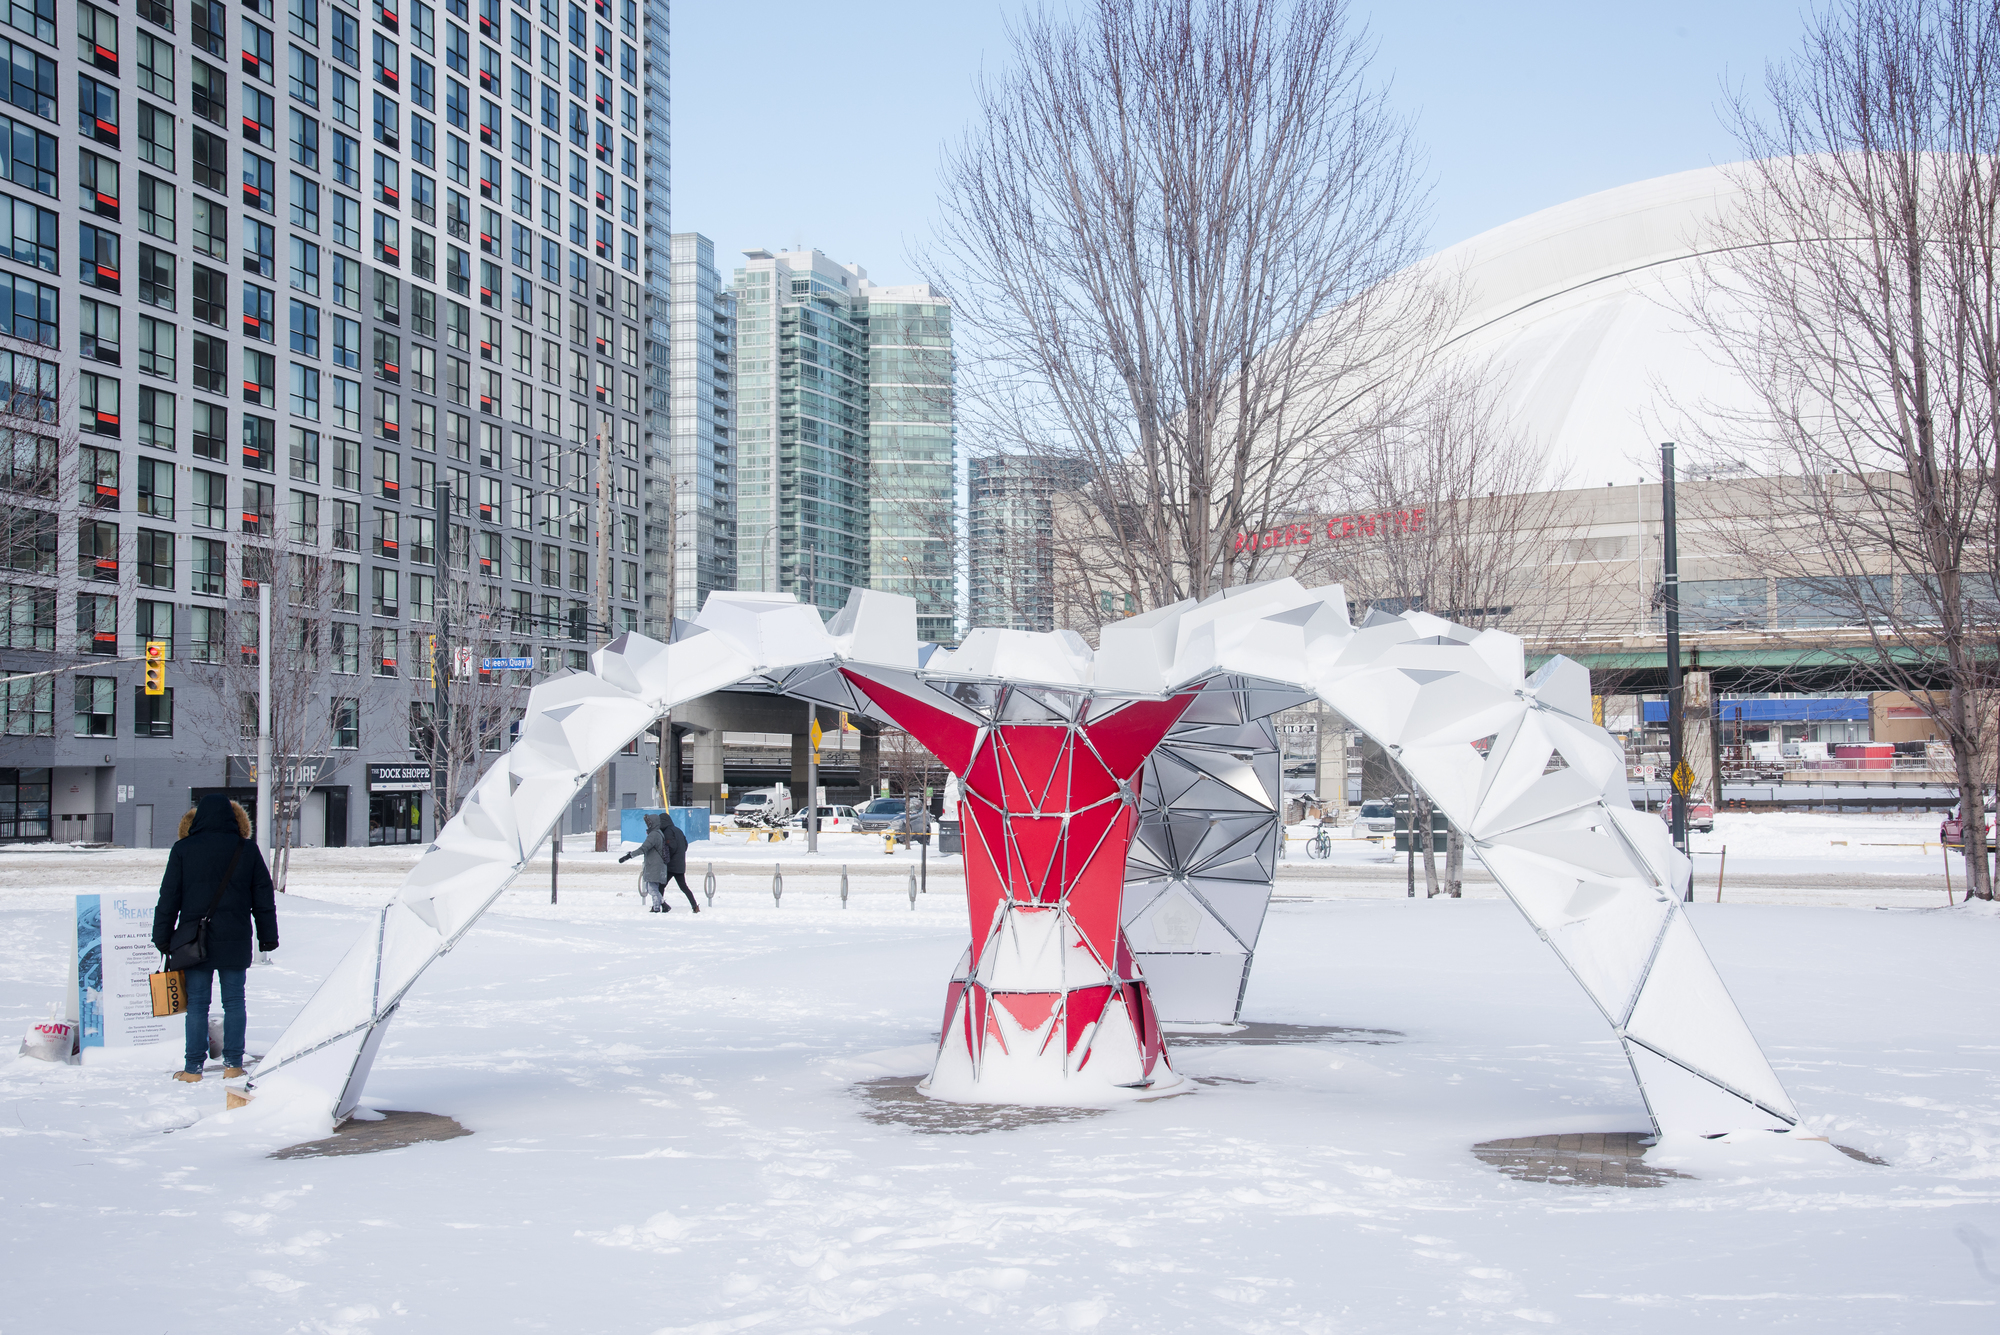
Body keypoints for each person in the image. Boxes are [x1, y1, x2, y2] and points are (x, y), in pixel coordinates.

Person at [151, 795, 278, 1083]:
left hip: (195, 942)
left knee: (197, 1004)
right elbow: (263, 898)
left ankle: (193, 1068)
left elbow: (168, 897)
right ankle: (233, 1064)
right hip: (235, 938)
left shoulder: (183, 850)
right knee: (234, 1001)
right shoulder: (246, 850)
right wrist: (267, 937)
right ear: (235, 820)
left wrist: (162, 938)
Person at [620, 812, 700, 913]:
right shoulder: (678, 830)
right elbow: (685, 845)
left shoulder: (667, 832)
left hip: (671, 865)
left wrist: (665, 857)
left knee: (661, 886)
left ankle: (658, 906)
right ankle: (695, 906)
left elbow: (670, 847)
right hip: (680, 864)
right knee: (683, 887)